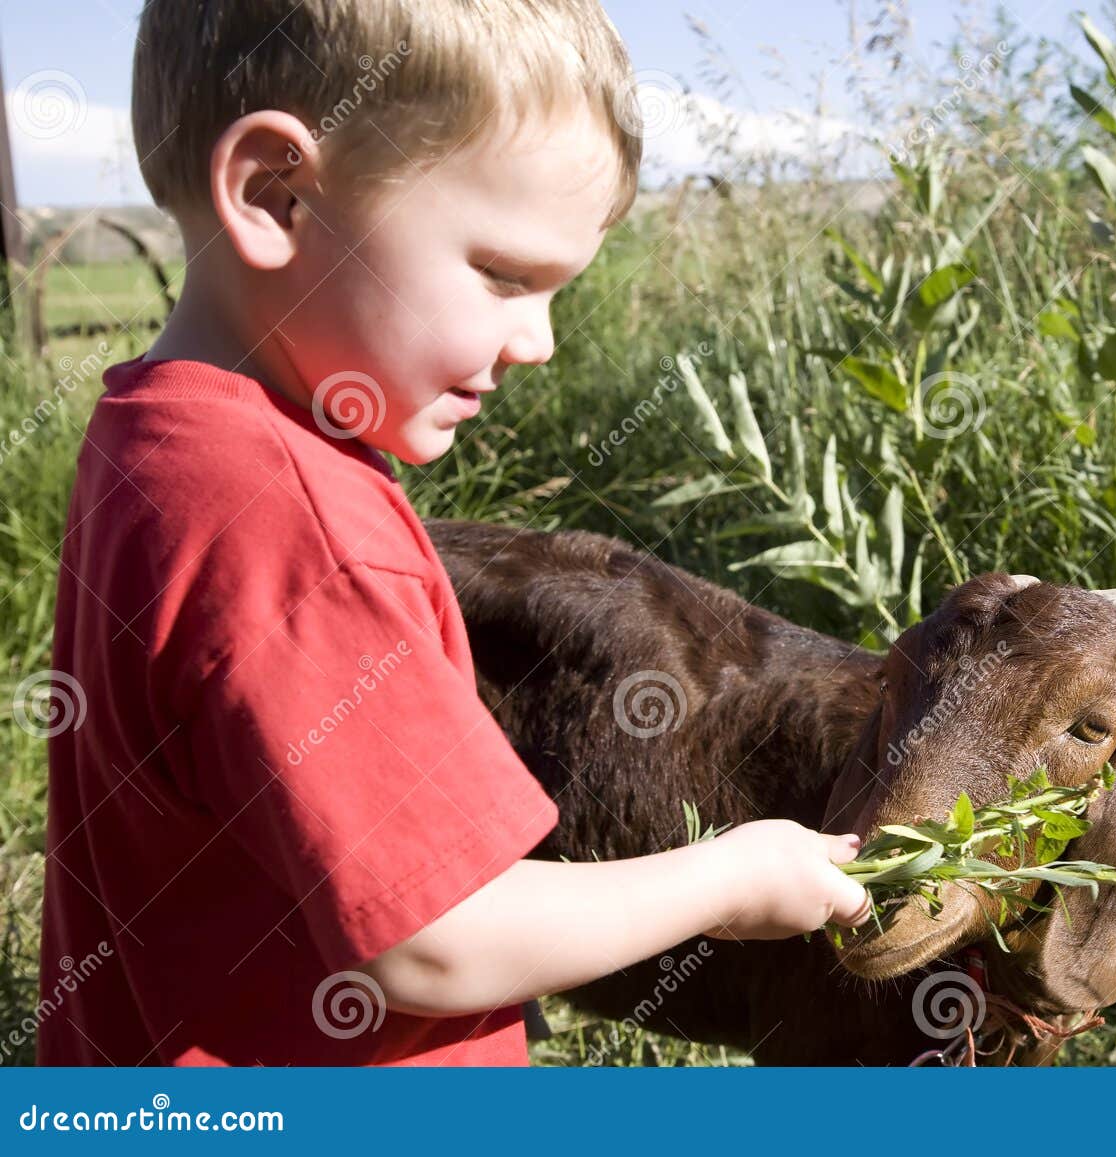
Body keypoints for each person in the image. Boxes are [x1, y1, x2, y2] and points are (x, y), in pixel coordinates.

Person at [36, 0, 870, 1067]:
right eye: (505, 275)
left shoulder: (158, 436)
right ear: (275, 193)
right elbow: (432, 937)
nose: (540, 343)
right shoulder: (297, 522)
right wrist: (731, 877)